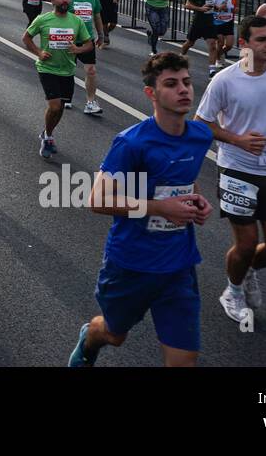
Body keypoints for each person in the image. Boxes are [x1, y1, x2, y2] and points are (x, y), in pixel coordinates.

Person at [68, 53, 214, 368]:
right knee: (113, 334)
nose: (184, 90)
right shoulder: (131, 144)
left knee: (184, 360)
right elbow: (97, 200)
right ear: (151, 93)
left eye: (187, 82)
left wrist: (198, 202)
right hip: (131, 265)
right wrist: (160, 207)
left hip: (178, 265)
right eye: (172, 84)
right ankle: (89, 336)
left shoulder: (200, 137)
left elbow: (184, 181)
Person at [195, 15, 266, 326]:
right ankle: (233, 291)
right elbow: (202, 123)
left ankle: (246, 268)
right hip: (236, 169)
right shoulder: (225, 80)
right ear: (245, 44)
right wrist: (237, 139)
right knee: (245, 243)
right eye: (262, 40)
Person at [23, 0, 94, 159]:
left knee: (60, 108)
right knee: (54, 106)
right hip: (47, 68)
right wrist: (39, 52)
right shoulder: (43, 19)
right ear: (53, 0)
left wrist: (78, 50)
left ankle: (48, 132)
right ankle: (48, 137)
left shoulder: (76, 21)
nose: (65, 1)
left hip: (68, 70)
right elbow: (26, 38)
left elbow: (89, 43)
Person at [68, 0, 105, 115]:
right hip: (69, 40)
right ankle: (66, 97)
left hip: (86, 40)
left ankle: (90, 102)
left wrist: (101, 35)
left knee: (91, 71)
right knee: (68, 71)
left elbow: (97, 16)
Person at [180, 0, 221, 77]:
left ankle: (212, 70)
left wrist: (218, 7)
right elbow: (187, 5)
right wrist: (200, 9)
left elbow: (212, 4)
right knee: (190, 43)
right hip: (198, 21)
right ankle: (180, 57)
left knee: (212, 45)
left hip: (210, 21)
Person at [211, 0, 237, 67]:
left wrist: (233, 10)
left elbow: (236, 8)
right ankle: (218, 60)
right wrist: (219, 8)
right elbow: (211, 7)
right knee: (220, 42)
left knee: (229, 45)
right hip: (217, 21)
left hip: (229, 21)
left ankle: (218, 54)